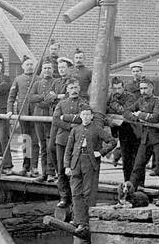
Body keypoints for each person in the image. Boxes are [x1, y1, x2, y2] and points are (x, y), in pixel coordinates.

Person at [65, 105, 111, 232]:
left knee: (87, 193)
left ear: (91, 116)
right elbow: (69, 149)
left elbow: (112, 141)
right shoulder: (75, 130)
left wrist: (101, 152)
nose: (85, 117)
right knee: (75, 192)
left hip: (89, 163)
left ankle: (84, 222)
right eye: (83, 114)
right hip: (75, 162)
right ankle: (77, 219)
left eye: (88, 115)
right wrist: (67, 166)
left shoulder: (97, 129)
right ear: (80, 116)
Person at [129, 78, 159, 205]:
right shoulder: (140, 101)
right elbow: (126, 111)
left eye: (145, 88)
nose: (143, 91)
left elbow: (155, 117)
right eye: (141, 88)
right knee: (137, 167)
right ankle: (130, 195)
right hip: (145, 138)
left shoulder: (158, 101)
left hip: (158, 139)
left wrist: (140, 115)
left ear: (152, 88)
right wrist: (135, 118)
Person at [50, 78, 88, 216]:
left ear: (79, 89)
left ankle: (76, 196)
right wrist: (69, 125)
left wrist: (65, 117)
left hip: (77, 141)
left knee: (75, 169)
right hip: (62, 140)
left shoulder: (83, 103)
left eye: (76, 87)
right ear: (67, 90)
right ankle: (64, 197)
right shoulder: (61, 103)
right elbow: (55, 119)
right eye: (71, 88)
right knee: (61, 169)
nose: (73, 90)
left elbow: (83, 118)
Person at [7, 57, 44, 178]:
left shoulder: (39, 79)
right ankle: (25, 166)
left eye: (31, 64)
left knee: (34, 140)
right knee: (25, 139)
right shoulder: (18, 79)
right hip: (23, 113)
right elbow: (11, 97)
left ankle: (34, 167)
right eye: (27, 64)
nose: (29, 66)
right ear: (22, 66)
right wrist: (9, 111)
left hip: (36, 113)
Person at [106, 75, 138, 175]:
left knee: (132, 157)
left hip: (131, 130)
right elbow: (105, 109)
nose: (117, 91)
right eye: (115, 88)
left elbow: (124, 111)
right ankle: (127, 180)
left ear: (123, 88)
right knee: (126, 158)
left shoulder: (130, 96)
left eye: (119, 88)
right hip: (117, 129)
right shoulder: (109, 96)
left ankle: (135, 182)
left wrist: (113, 104)